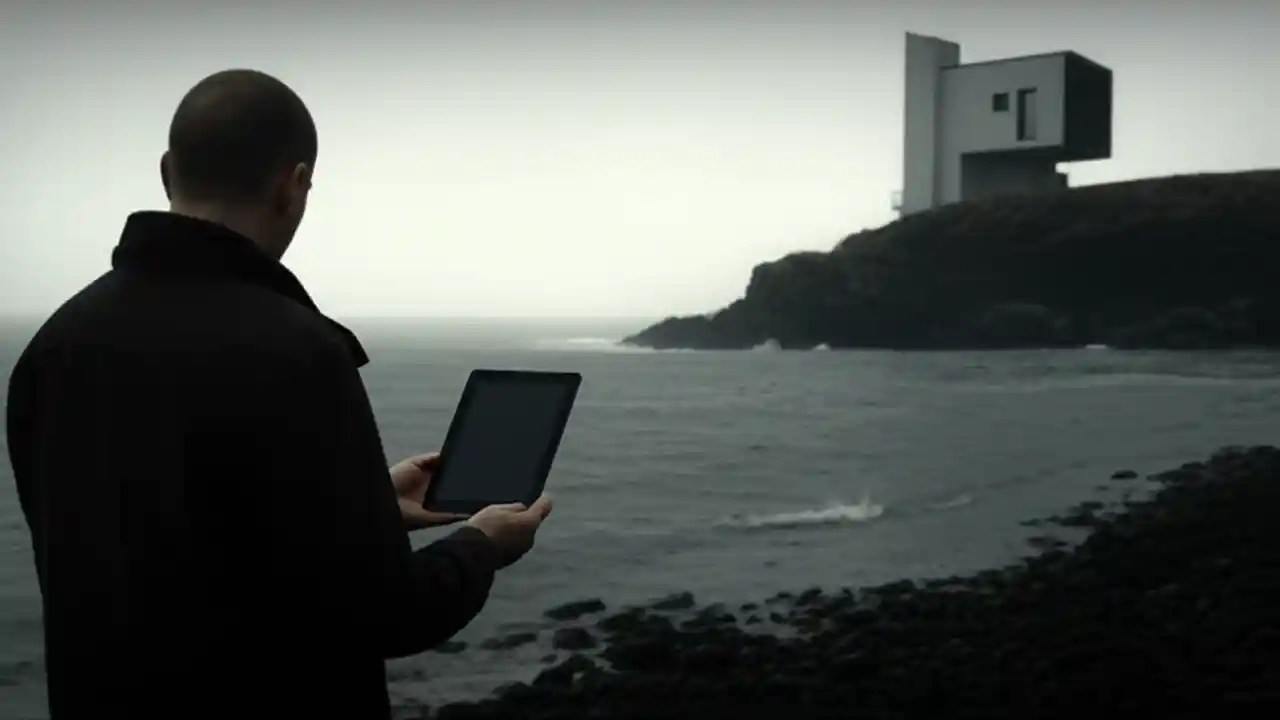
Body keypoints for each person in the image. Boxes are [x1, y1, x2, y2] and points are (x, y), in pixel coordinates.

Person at [4, 69, 553, 719]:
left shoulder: (53, 349)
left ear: (166, 172)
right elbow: (385, 612)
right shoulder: (297, 351)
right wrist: (483, 544)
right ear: (292, 185)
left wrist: (370, 507)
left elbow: (166, 538)